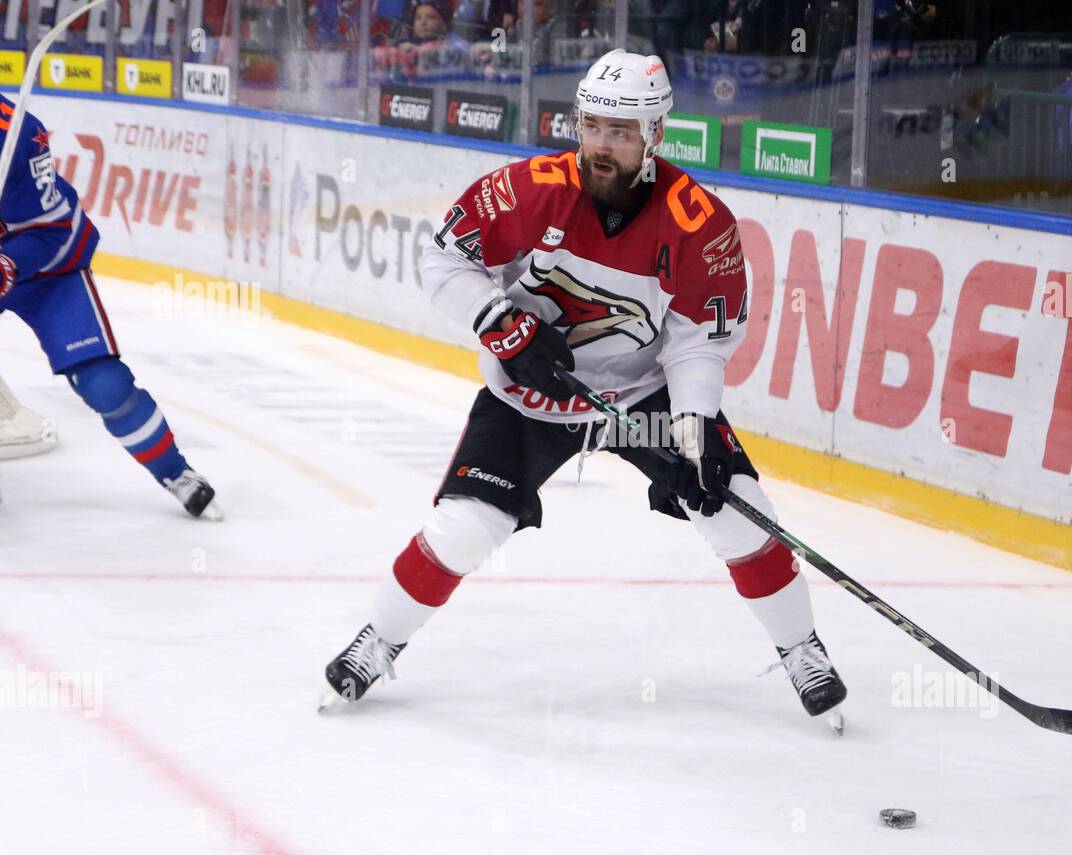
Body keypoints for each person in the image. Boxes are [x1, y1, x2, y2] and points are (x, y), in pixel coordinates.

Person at [323, 49, 849, 728]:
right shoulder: (530, 188)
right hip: (530, 396)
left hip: (641, 397)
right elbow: (444, 255)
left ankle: (801, 647)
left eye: (621, 133)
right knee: (463, 528)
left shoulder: (700, 223)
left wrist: (692, 429)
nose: (601, 146)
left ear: (655, 134)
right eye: (593, 126)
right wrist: (503, 326)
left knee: (738, 505)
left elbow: (698, 342)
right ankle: (379, 641)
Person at [0, 95, 219, 518]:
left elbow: (51, 229)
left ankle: (175, 472)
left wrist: (10, 263)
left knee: (103, 385)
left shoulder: (16, 132)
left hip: (46, 269)